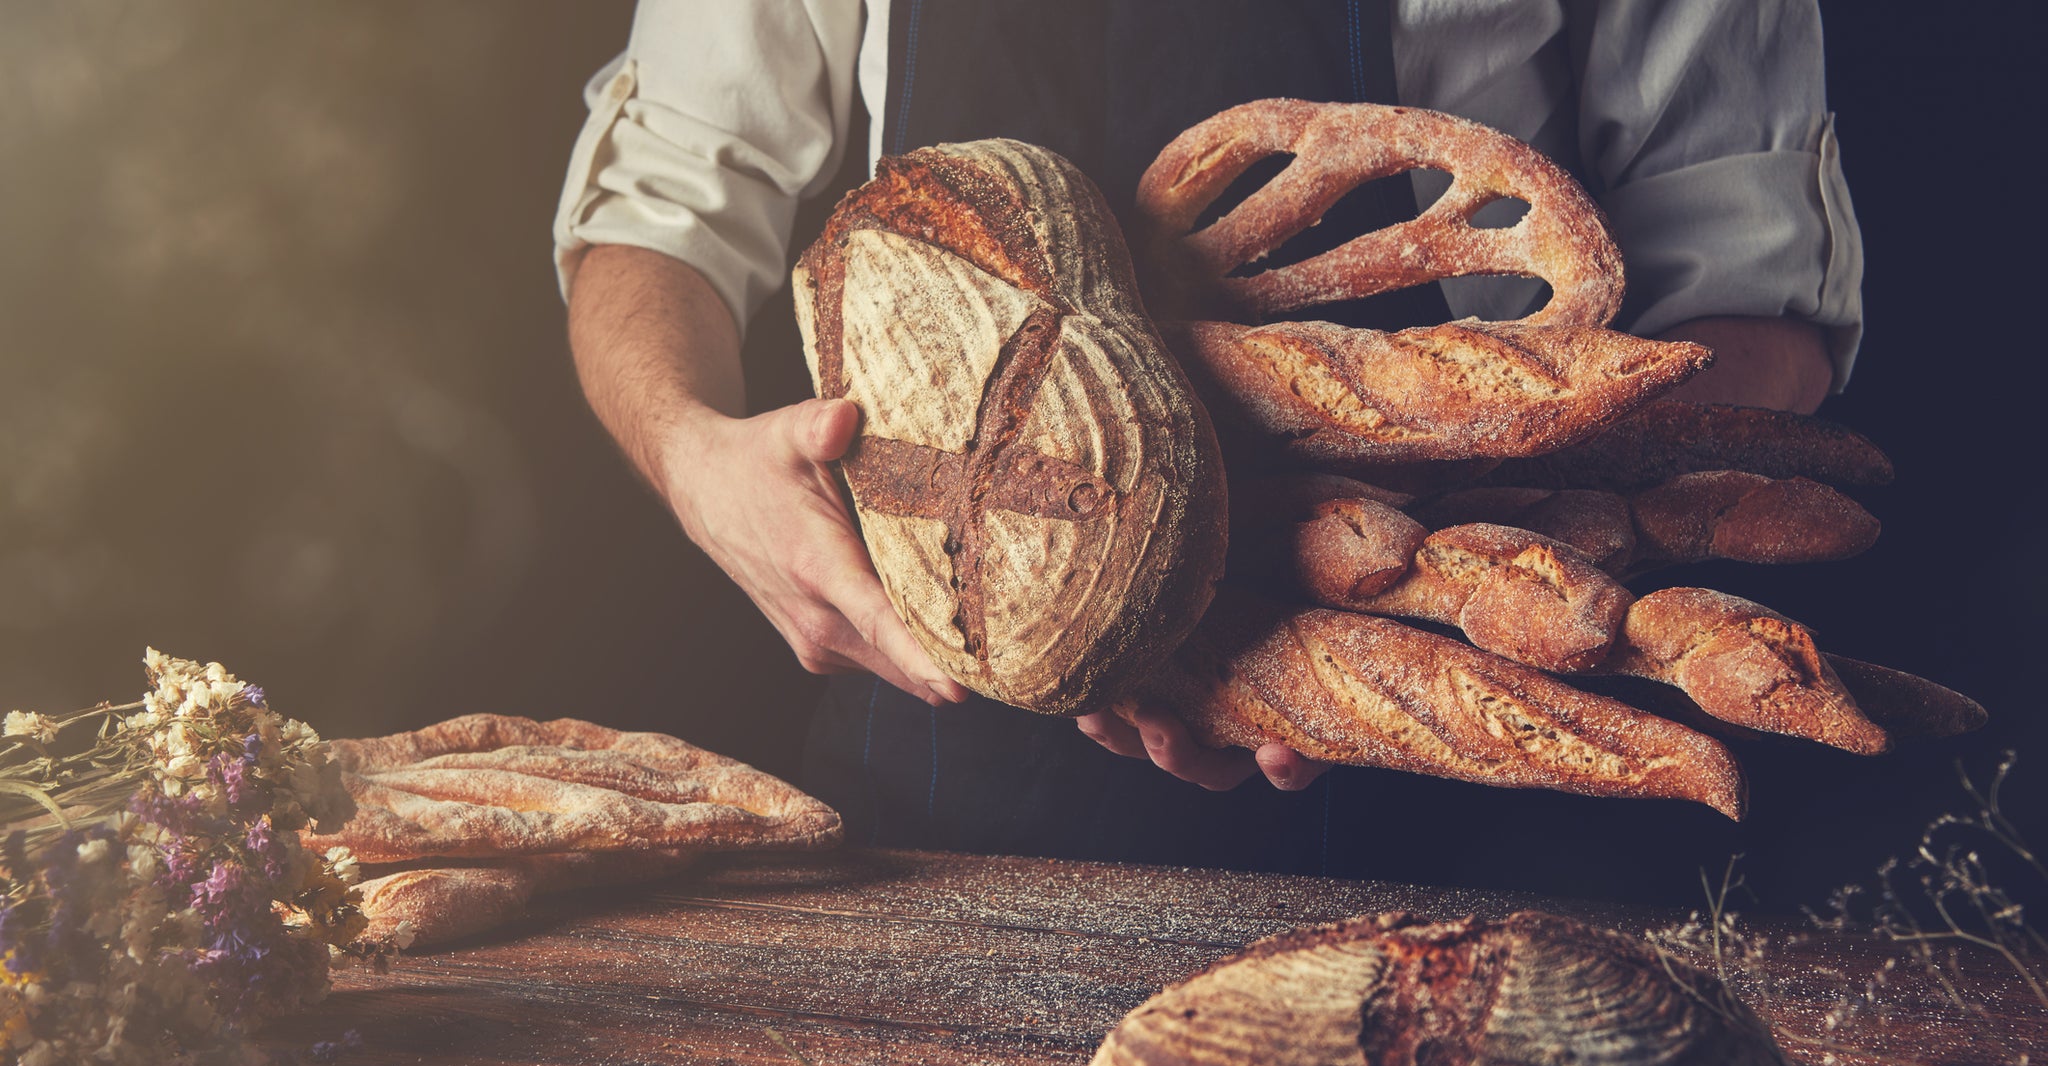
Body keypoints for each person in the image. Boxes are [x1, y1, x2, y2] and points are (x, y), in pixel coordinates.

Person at [553, 1, 1861, 880]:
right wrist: (695, 457)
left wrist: (1420, 551)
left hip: (1470, 765)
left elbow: (1748, 298)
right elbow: (666, 200)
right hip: (951, 790)